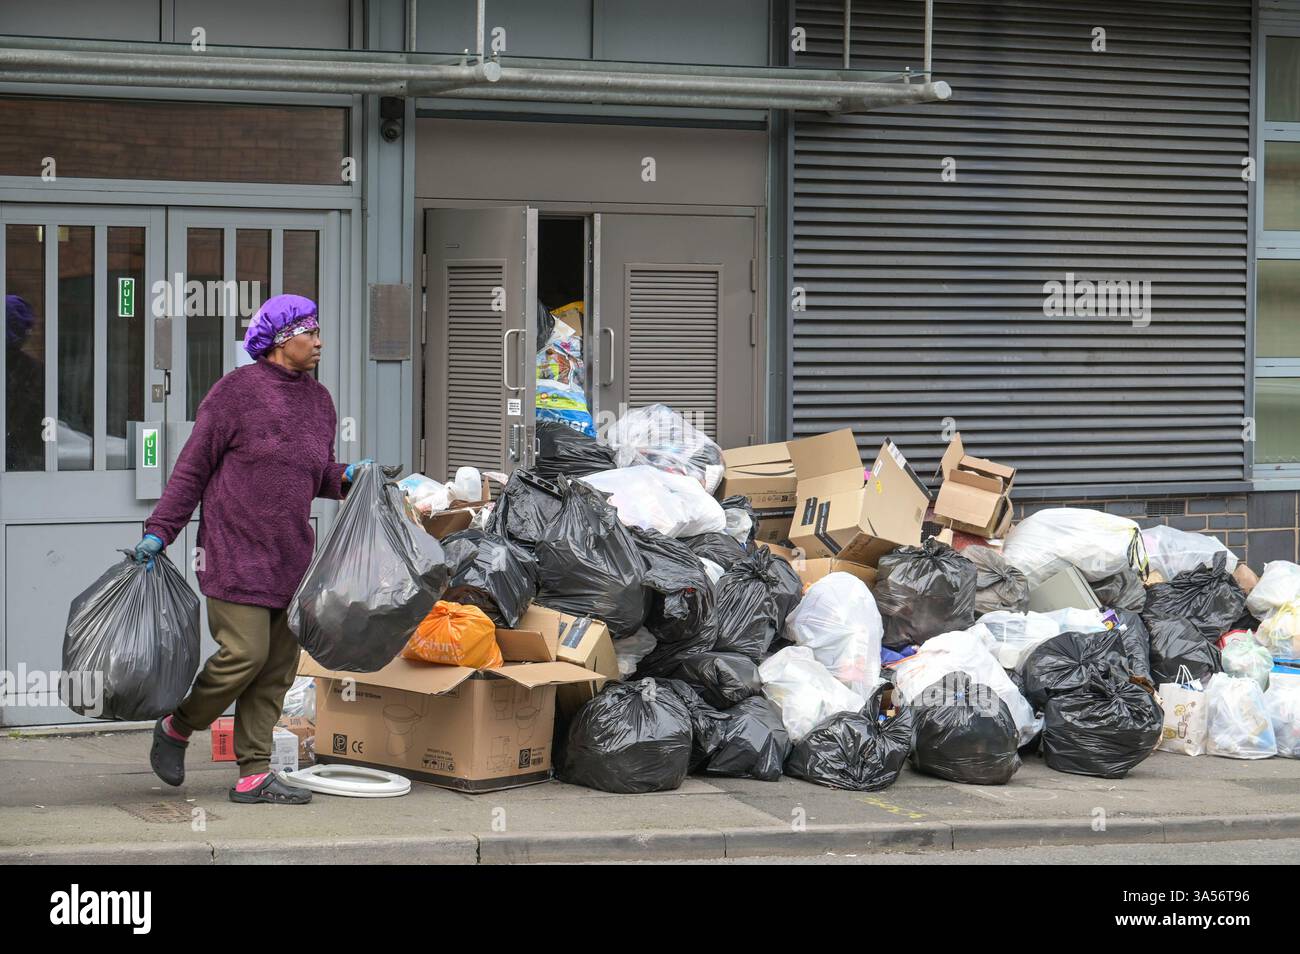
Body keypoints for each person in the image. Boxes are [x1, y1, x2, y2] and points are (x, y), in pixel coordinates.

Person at [136, 294, 370, 805]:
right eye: (311, 333)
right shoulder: (234, 394)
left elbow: (317, 474)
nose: (320, 342)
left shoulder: (319, 401)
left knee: (277, 671)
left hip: (291, 557)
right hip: (232, 550)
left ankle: (253, 773)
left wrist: (346, 476)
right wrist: (161, 531)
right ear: (284, 338)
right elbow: (192, 470)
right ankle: (178, 726)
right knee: (245, 654)